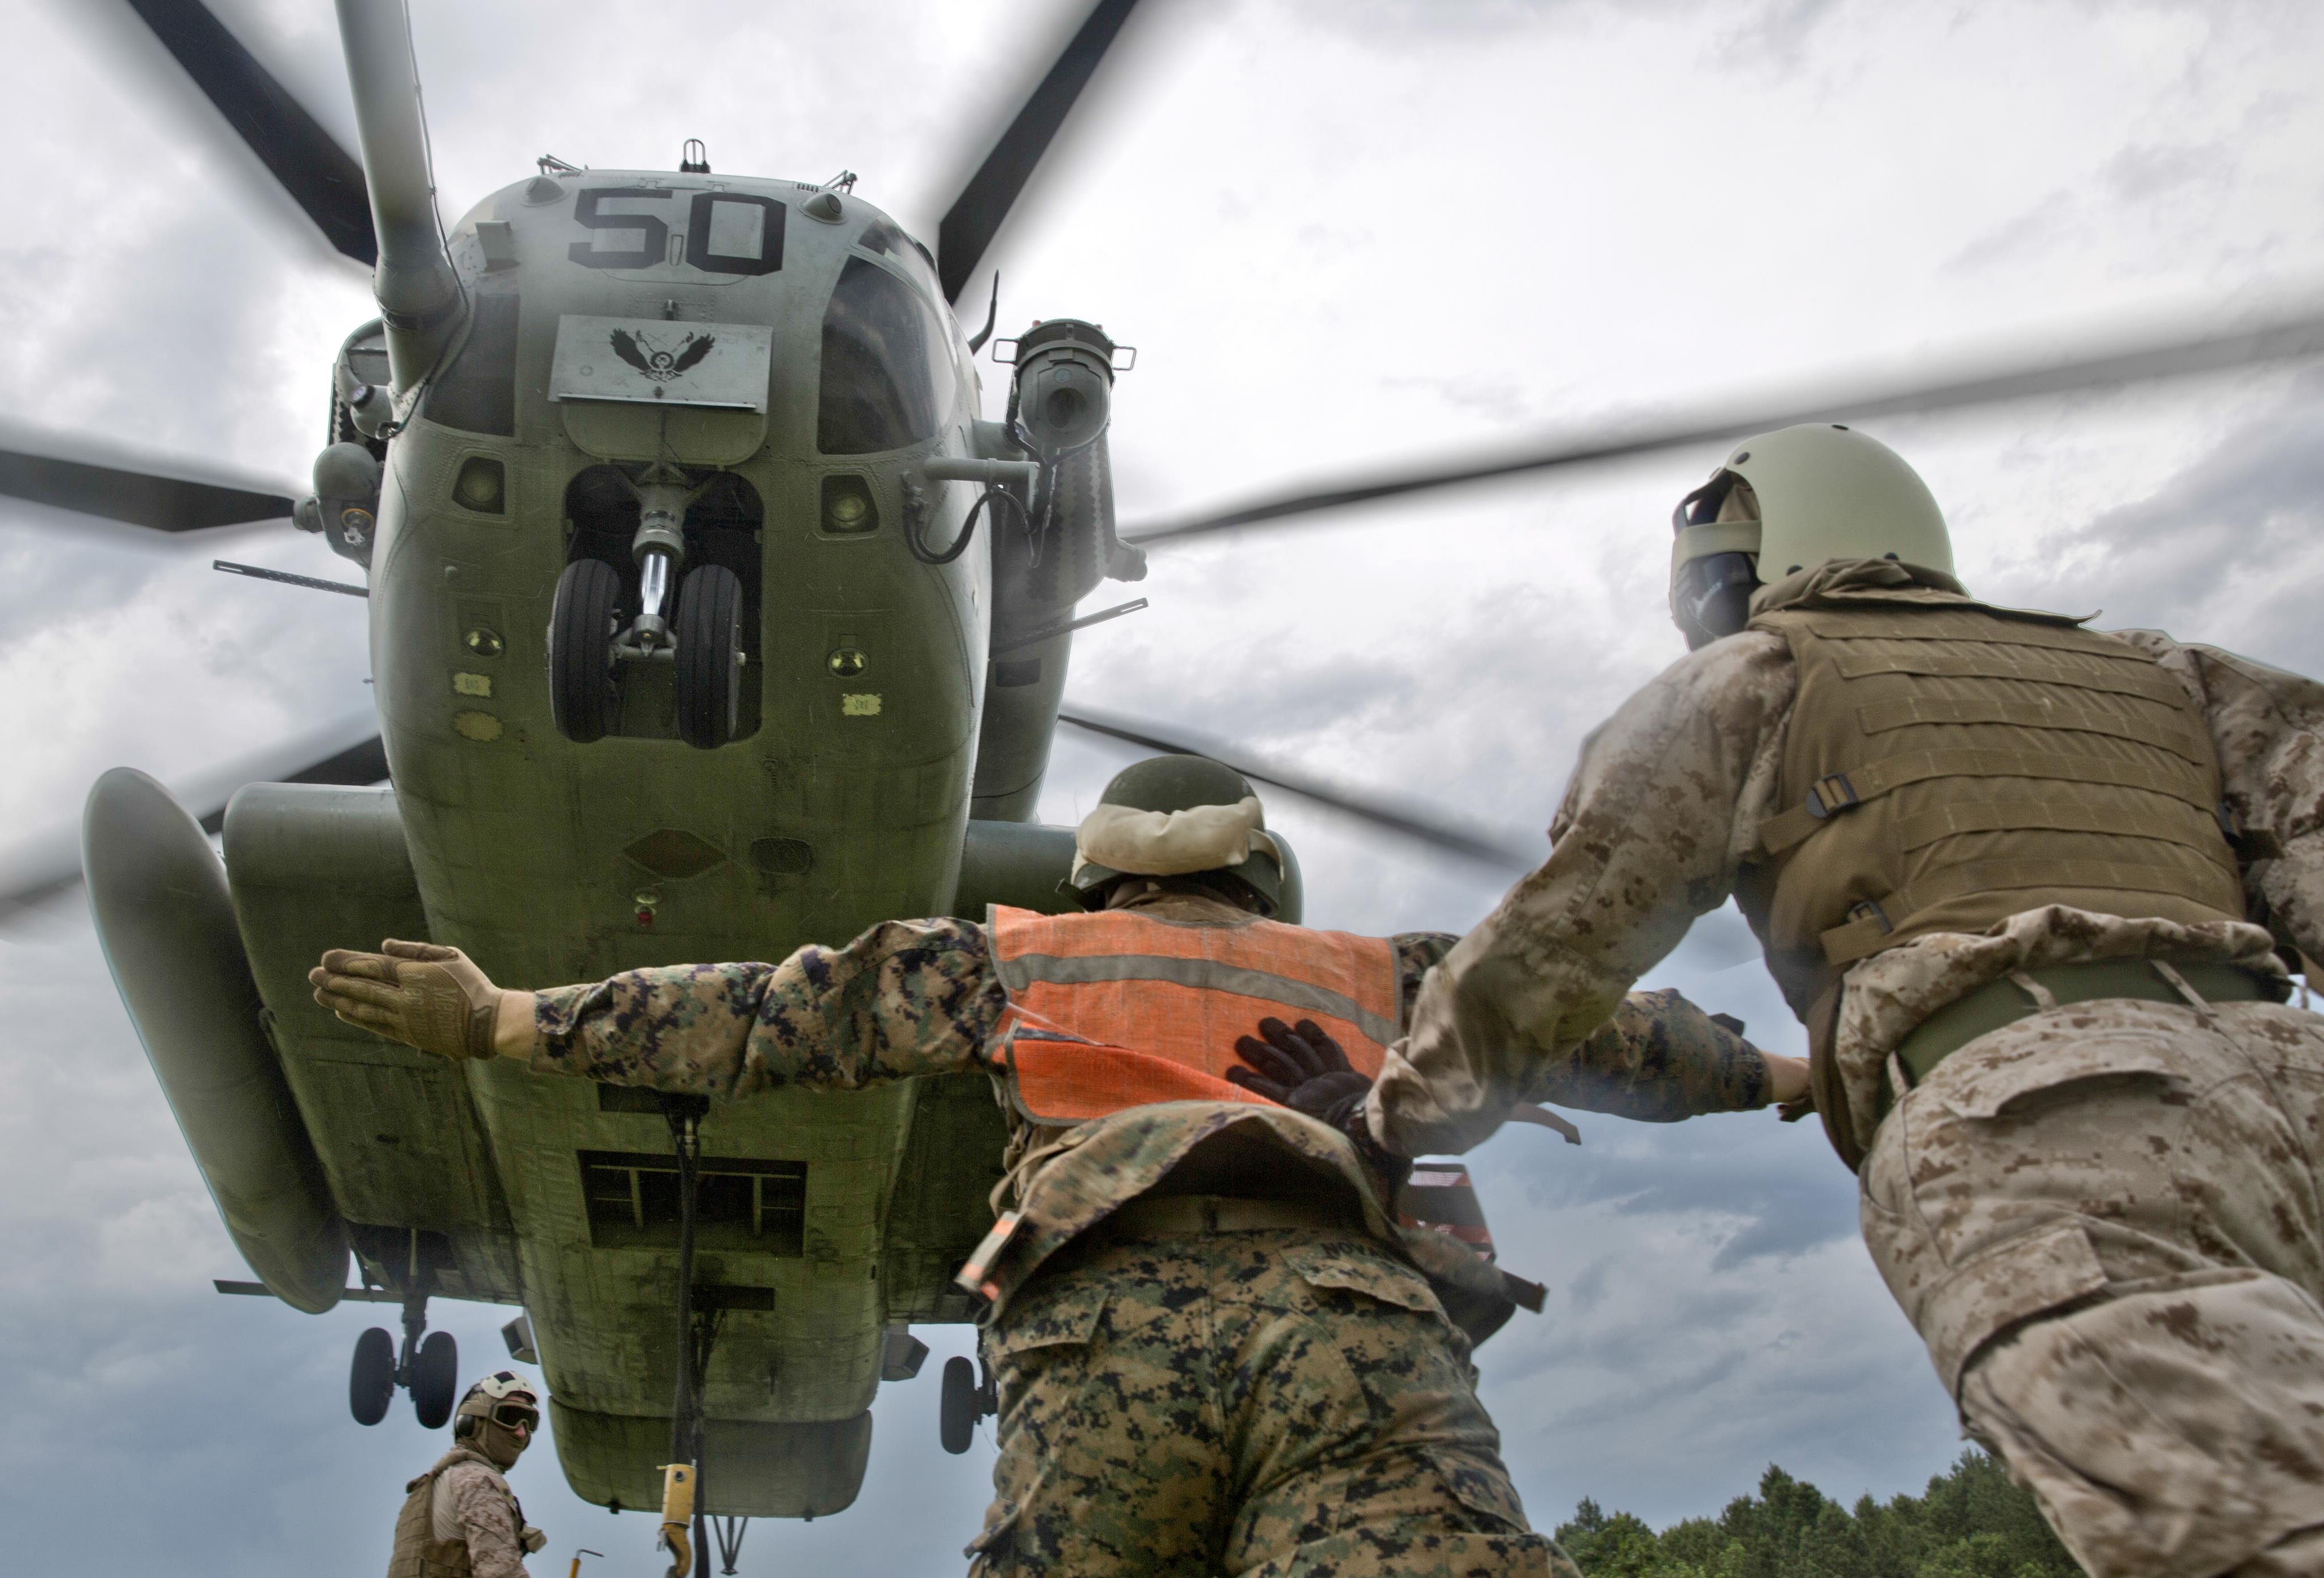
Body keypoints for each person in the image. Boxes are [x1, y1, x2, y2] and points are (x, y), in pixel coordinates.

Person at [313, 755, 1808, 1578]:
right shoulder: (1374, 971)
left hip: (1103, 1333)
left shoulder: (1019, 959)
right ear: (1260, 876)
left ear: (1095, 878)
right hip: (1349, 1322)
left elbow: (770, 1014)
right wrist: (1799, 1074)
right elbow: (1601, 1024)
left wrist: (508, 1017)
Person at [1307, 422, 2324, 1578]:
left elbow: (1546, 957)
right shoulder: (2174, 675)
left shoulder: (1754, 679)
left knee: (2250, 1535)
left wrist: (1392, 1122)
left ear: (1755, 562)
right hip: (2293, 1065)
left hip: (2045, 1120)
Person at [389, 1370, 548, 1578]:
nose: (521, 1432)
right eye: (510, 1417)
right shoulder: (479, 1481)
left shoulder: (423, 1490)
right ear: (472, 1423)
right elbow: (501, 1573)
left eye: (529, 1421)